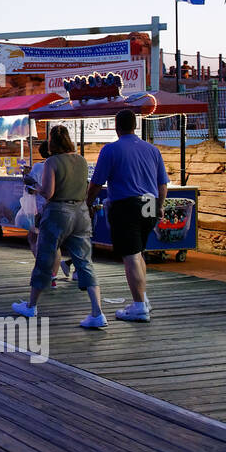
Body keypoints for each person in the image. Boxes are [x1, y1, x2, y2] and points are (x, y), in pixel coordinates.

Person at [14, 127, 105, 328]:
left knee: (45, 257)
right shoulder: (81, 160)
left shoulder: (52, 162)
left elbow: (48, 193)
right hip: (80, 213)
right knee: (84, 262)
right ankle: (97, 312)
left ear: (53, 142)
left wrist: (33, 186)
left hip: (58, 213)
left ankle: (31, 306)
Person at [86, 108, 168, 323]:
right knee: (139, 251)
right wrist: (160, 205)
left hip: (126, 204)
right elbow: (163, 184)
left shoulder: (110, 150)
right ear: (135, 125)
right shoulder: (152, 149)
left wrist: (87, 203)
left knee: (130, 255)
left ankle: (139, 306)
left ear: (116, 125)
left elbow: (97, 182)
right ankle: (143, 298)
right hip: (149, 203)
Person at [22, 138, 66, 285]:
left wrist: (26, 177)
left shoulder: (39, 167)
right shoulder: (63, 165)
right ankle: (53, 274)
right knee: (55, 244)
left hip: (42, 209)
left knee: (34, 239)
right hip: (61, 208)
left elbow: (32, 189)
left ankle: (46, 270)